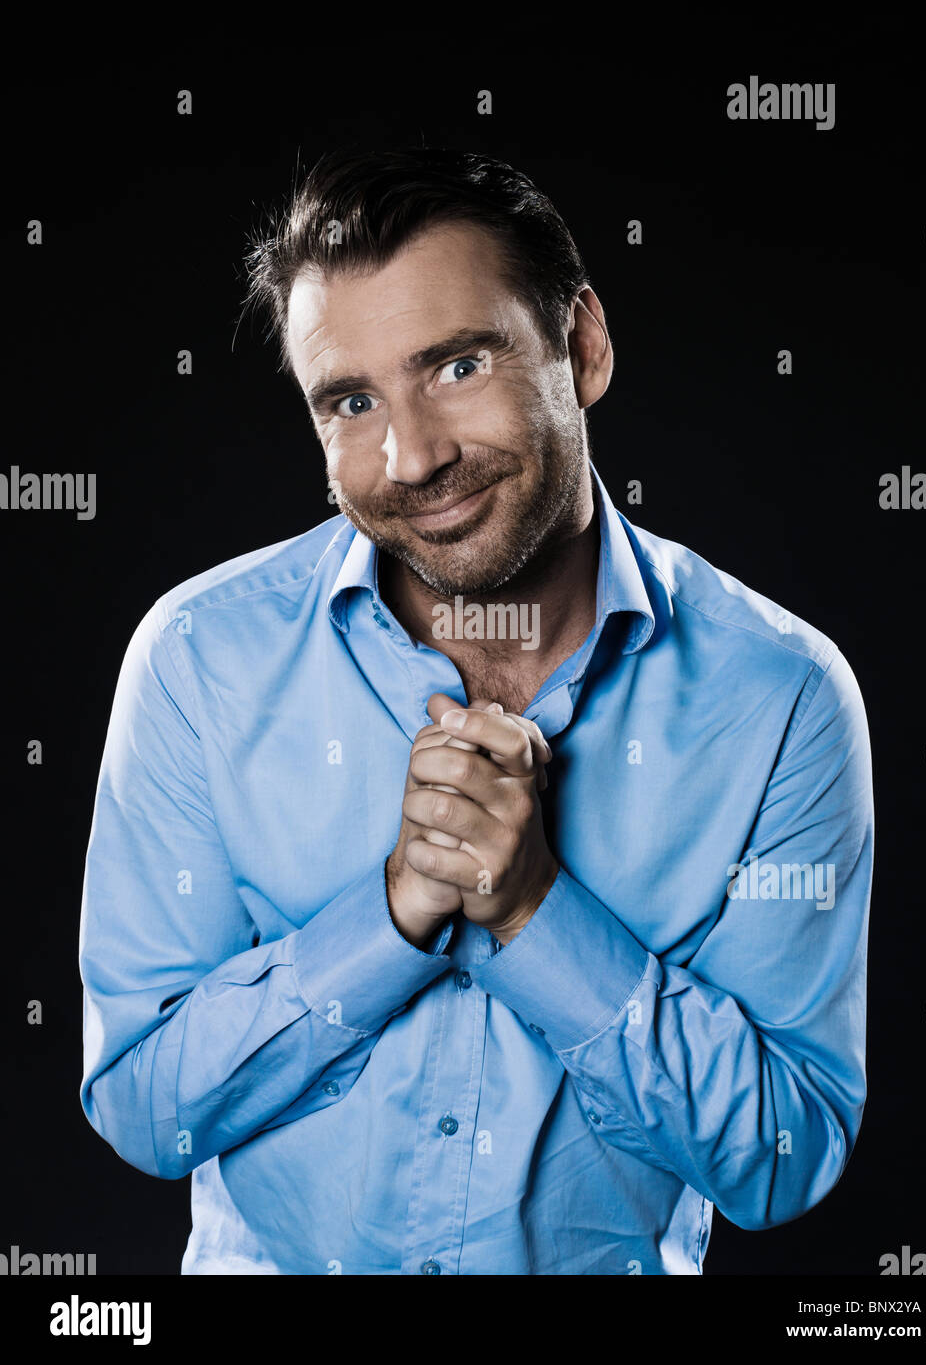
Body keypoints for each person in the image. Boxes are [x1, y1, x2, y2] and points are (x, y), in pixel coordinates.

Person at [79, 147, 873, 1275]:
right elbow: (141, 1107)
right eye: (352, 401)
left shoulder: (779, 697)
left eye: (455, 366)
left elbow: (783, 1157)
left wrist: (534, 912)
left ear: (581, 345)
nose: (414, 457)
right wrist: (390, 918)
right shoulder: (200, 661)